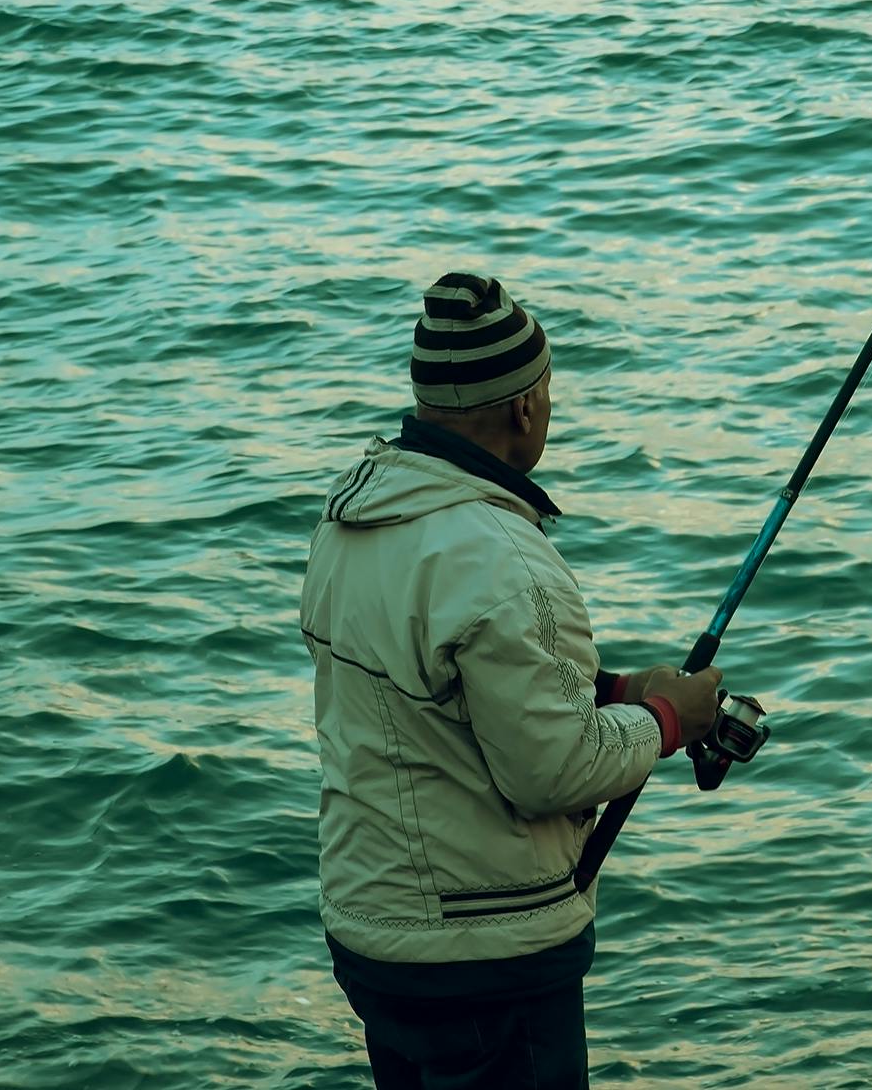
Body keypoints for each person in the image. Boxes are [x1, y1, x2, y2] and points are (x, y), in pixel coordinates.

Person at [303, 271, 729, 1088]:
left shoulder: (349, 519)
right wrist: (670, 721)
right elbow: (552, 770)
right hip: (482, 957)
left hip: (373, 933)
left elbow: (438, 685)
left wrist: (609, 691)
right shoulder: (502, 559)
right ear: (525, 406)